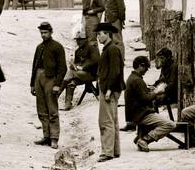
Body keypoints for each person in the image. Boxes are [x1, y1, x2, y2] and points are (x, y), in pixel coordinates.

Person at [126, 56, 176, 151]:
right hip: (141, 114)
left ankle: (140, 137)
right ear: (141, 66)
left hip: (136, 113)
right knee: (170, 125)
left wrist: (149, 90)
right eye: (146, 68)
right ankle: (145, 139)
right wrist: (157, 92)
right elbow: (145, 98)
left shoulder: (133, 78)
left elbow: (140, 95)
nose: (146, 71)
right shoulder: (137, 80)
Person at [31, 22, 66, 148]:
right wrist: (32, 84)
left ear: (51, 32)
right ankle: (46, 136)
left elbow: (63, 68)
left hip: (50, 78)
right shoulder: (39, 47)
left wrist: (57, 84)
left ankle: (54, 138)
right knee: (41, 109)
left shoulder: (57, 47)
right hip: (38, 77)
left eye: (45, 33)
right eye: (41, 33)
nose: (43, 35)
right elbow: (34, 66)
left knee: (52, 109)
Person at [95, 22, 124, 162]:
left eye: (100, 34)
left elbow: (115, 72)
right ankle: (114, 150)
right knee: (113, 120)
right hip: (108, 88)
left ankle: (107, 152)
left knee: (106, 121)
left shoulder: (111, 50)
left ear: (107, 34)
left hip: (109, 90)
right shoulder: (109, 49)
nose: (98, 37)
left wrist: (109, 90)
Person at [62, 29, 100, 109]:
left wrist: (83, 67)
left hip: (92, 74)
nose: (78, 42)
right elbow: (77, 64)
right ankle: (67, 104)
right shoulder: (78, 51)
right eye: (77, 40)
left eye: (80, 40)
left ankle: (58, 92)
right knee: (71, 83)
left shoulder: (92, 48)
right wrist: (73, 66)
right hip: (80, 75)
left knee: (71, 74)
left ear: (85, 39)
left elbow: (95, 60)